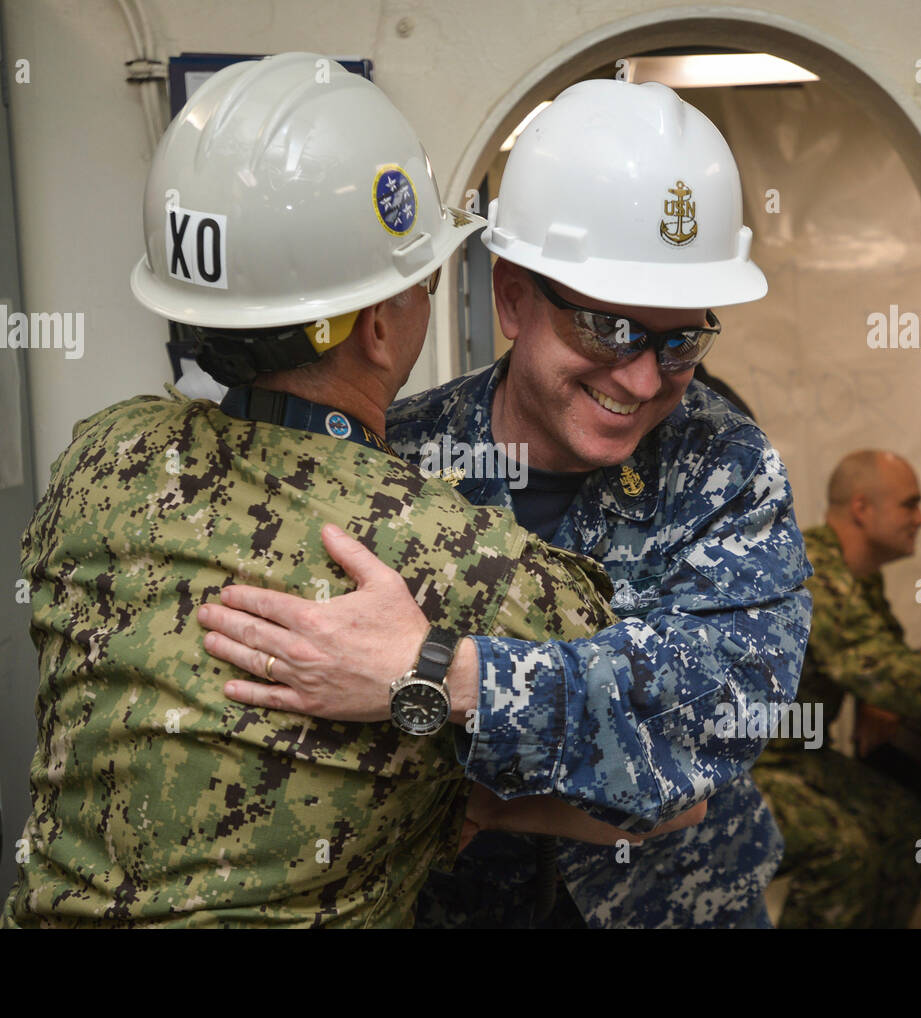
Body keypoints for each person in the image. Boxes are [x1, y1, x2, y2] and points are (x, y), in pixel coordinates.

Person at [0, 54, 701, 930]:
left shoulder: (100, 466)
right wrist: (458, 767)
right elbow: (673, 788)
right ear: (379, 326)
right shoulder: (454, 560)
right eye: (424, 282)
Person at [198, 79, 813, 928]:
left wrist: (441, 677)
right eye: (609, 327)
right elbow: (314, 709)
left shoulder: (727, 464)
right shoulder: (397, 457)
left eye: (680, 341)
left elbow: (713, 721)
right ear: (515, 297)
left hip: (682, 906)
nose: (642, 380)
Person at [752, 449, 921, 928]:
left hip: (799, 755)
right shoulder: (818, 572)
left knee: (905, 823)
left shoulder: (859, 578)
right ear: (861, 509)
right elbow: (895, 679)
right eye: (910, 505)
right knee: (845, 852)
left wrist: (883, 688)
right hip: (746, 764)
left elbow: (884, 662)